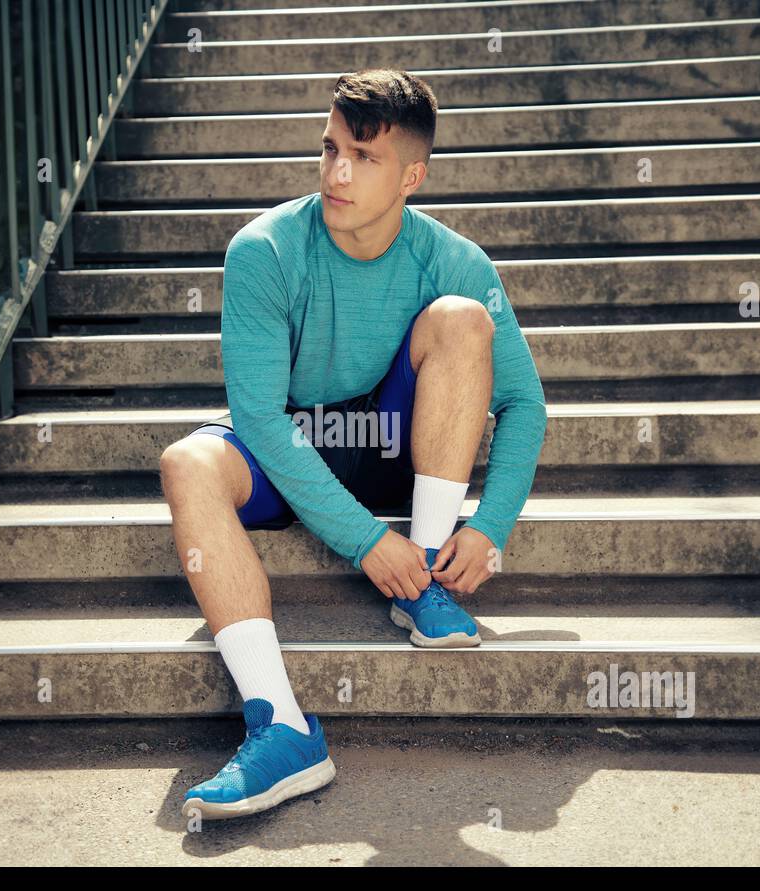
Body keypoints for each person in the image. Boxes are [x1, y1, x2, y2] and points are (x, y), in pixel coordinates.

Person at [160, 68, 547, 821]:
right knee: (187, 463)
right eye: (331, 147)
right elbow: (263, 421)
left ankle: (424, 580)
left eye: (364, 158)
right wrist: (367, 541)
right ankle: (281, 727)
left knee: (465, 318)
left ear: (412, 175)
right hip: (289, 448)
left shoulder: (454, 258)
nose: (338, 173)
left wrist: (491, 525)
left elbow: (524, 404)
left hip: (389, 444)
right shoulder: (264, 250)